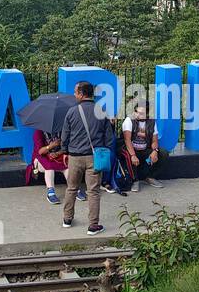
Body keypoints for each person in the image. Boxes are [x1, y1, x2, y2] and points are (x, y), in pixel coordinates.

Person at [58, 81, 115, 235]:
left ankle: (67, 219)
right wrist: (106, 152)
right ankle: (93, 225)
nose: (74, 95)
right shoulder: (101, 111)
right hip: (94, 157)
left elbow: (65, 135)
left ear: (82, 94)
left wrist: (65, 151)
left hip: (75, 157)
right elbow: (109, 137)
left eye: (76, 92)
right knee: (93, 191)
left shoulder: (71, 112)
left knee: (71, 188)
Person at [121, 103, 165, 193]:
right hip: (131, 148)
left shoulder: (152, 122)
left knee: (163, 153)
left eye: (141, 113)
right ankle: (135, 180)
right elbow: (127, 140)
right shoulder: (129, 120)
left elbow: (154, 140)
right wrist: (133, 155)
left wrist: (155, 151)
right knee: (129, 156)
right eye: (136, 111)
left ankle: (149, 177)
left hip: (145, 148)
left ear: (147, 114)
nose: (137, 114)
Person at [26, 129, 71, 205]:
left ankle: (74, 188)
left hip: (57, 156)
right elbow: (40, 152)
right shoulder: (38, 132)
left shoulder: (61, 131)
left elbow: (67, 147)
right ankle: (51, 193)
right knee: (49, 167)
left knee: (67, 167)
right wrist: (52, 146)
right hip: (41, 157)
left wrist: (58, 153)